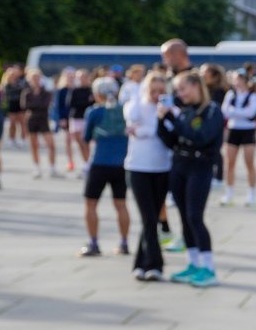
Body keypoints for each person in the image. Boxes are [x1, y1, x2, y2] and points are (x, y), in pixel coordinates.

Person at [158, 70, 223, 285]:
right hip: (180, 165)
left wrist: (172, 119)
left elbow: (201, 136)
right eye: (177, 90)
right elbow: (173, 140)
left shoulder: (211, 111)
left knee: (195, 216)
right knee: (184, 217)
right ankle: (193, 263)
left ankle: (209, 268)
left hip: (200, 166)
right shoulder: (184, 111)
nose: (180, 94)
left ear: (196, 86)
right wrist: (161, 122)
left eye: (183, 89)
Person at [124, 72, 173, 282]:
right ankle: (155, 264)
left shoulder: (168, 109)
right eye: (153, 91)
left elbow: (163, 131)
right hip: (138, 168)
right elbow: (130, 118)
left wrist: (147, 128)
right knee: (148, 217)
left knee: (152, 217)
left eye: (161, 91)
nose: (156, 95)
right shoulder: (137, 104)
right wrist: (137, 92)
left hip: (162, 168)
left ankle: (141, 264)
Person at [80, 77, 131, 258]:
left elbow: (85, 138)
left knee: (91, 203)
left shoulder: (94, 112)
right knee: (121, 204)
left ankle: (93, 242)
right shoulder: (125, 110)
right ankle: (124, 243)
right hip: (122, 163)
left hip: (100, 162)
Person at [221, 71, 256, 207]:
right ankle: (229, 194)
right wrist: (239, 113)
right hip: (233, 130)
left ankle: (251, 194)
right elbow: (224, 111)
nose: (237, 82)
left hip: (248, 130)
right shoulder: (231, 94)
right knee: (229, 163)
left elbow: (251, 112)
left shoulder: (253, 95)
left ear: (245, 80)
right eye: (235, 79)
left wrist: (234, 111)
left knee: (249, 163)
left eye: (239, 79)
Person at [22, 71, 54, 179]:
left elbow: (45, 105)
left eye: (37, 78)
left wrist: (35, 106)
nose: (36, 80)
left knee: (50, 145)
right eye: (33, 78)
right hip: (32, 120)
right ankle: (36, 167)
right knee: (34, 145)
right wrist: (36, 105)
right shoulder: (27, 92)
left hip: (43, 119)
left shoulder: (46, 92)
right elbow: (25, 105)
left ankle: (52, 167)